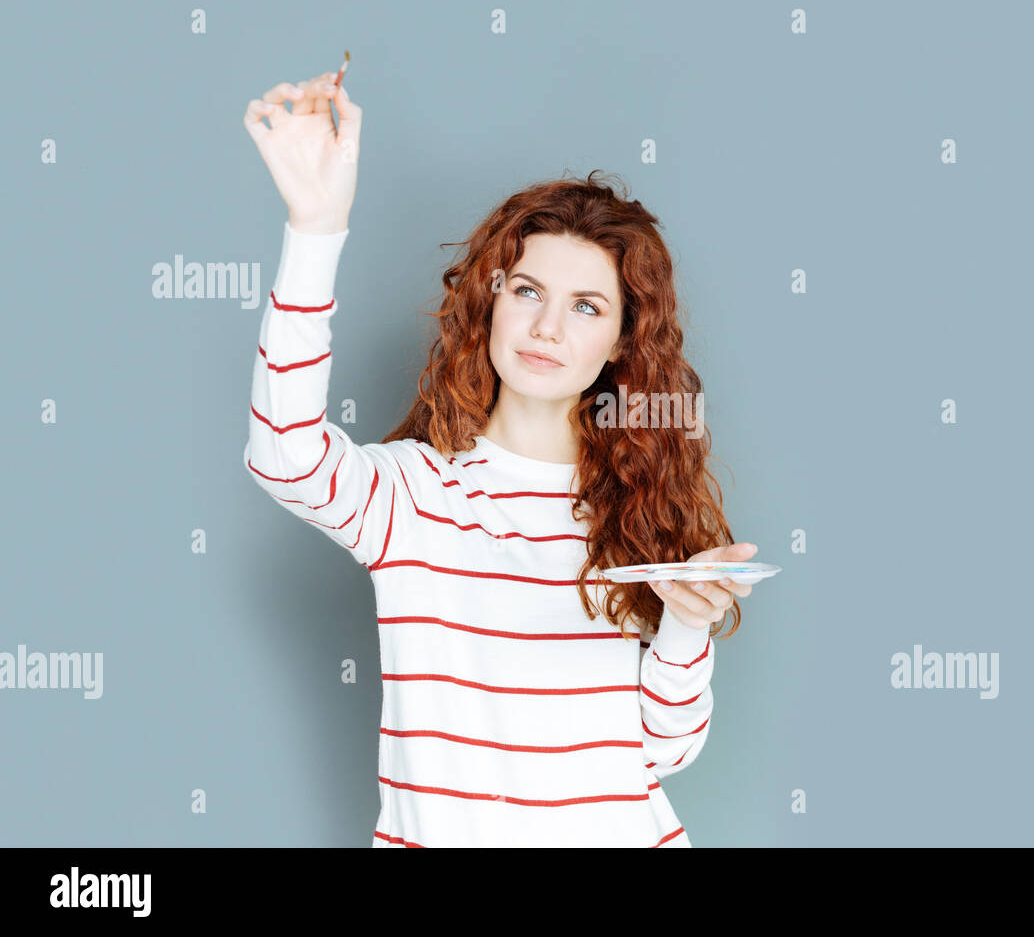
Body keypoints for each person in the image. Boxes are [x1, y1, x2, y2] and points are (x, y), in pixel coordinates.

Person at [240, 70, 758, 847]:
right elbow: (283, 454)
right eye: (526, 291)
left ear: (621, 341)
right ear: (491, 302)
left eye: (586, 306)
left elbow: (663, 751)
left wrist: (686, 629)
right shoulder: (412, 495)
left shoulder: (642, 515)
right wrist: (315, 228)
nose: (547, 326)